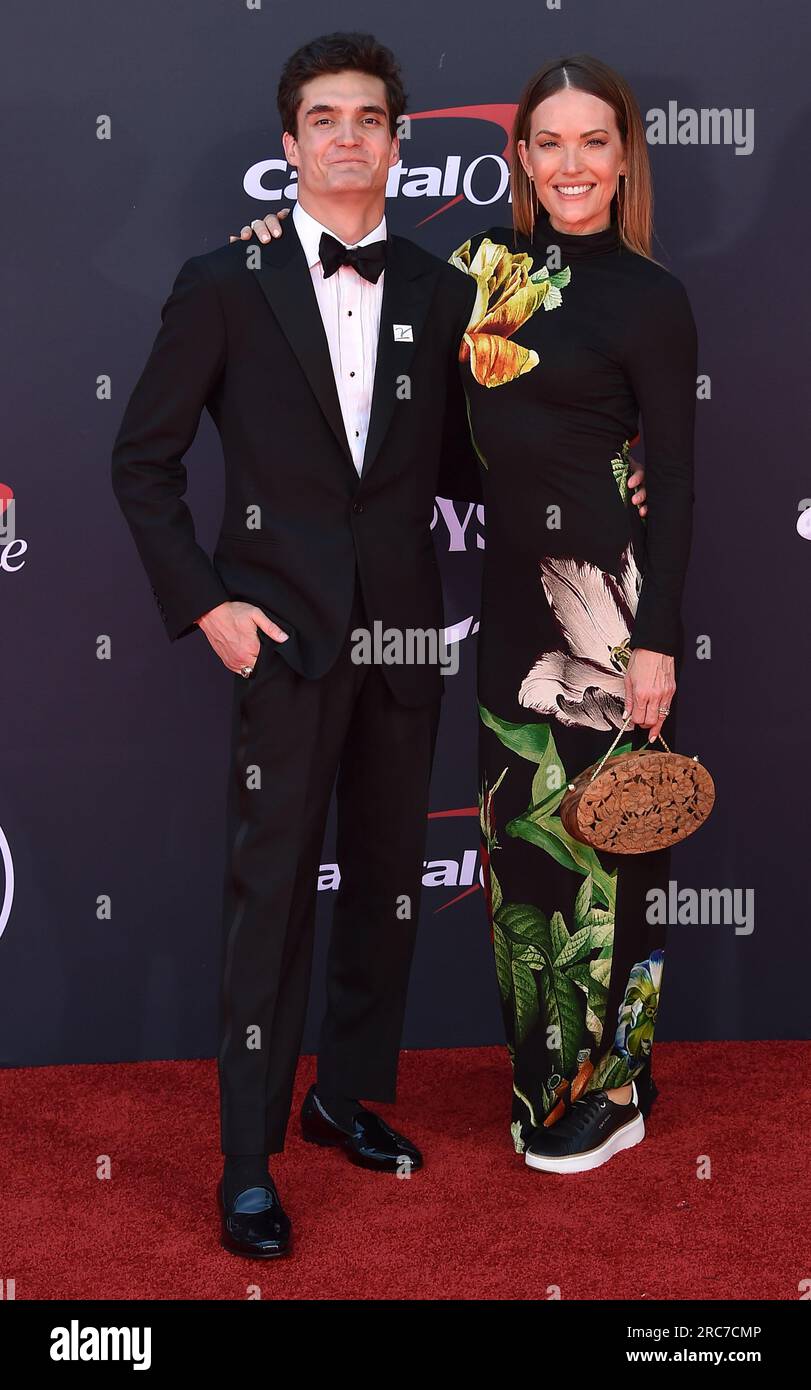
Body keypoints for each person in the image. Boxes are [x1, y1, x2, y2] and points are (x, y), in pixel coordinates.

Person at [238, 51, 693, 1176]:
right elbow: (409, 412)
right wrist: (262, 255)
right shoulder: (477, 272)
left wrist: (658, 641)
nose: (571, 164)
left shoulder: (652, 296)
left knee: (611, 851)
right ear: (519, 158)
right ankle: (545, 1088)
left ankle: (616, 1084)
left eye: (594, 142)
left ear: (622, 156)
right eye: (549, 142)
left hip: (605, 614)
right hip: (507, 609)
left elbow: (675, 483)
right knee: (524, 865)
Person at [111, 31, 481, 1260]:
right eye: (322, 117)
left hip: (404, 636)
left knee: (385, 883)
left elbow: (466, 465)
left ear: (397, 143)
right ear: (289, 149)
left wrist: (597, 480)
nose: (345, 136)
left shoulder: (441, 291)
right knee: (269, 904)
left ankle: (343, 1096)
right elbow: (142, 461)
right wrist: (209, 604)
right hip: (281, 638)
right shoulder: (224, 281)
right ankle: (246, 1159)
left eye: (368, 117)